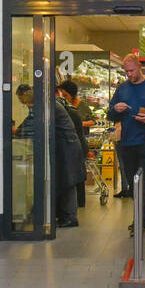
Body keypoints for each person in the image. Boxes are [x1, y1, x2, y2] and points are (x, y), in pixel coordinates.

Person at [107, 54, 145, 234]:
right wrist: (115, 110)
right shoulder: (122, 89)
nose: (129, 74)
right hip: (127, 142)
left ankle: (140, 221)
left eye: (132, 70)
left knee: (143, 182)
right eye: (126, 71)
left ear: (139, 66)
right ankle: (144, 217)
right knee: (133, 182)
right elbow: (110, 115)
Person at [51, 85, 85, 228]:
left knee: (68, 182)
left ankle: (70, 218)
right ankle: (66, 216)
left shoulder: (54, 105)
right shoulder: (59, 104)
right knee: (67, 182)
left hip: (68, 147)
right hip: (68, 146)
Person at [57, 79, 91, 210]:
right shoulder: (68, 109)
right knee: (77, 173)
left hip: (77, 145)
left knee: (76, 175)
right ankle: (78, 202)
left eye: (65, 95)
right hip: (77, 144)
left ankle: (78, 202)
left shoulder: (73, 110)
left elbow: (88, 124)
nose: (62, 97)